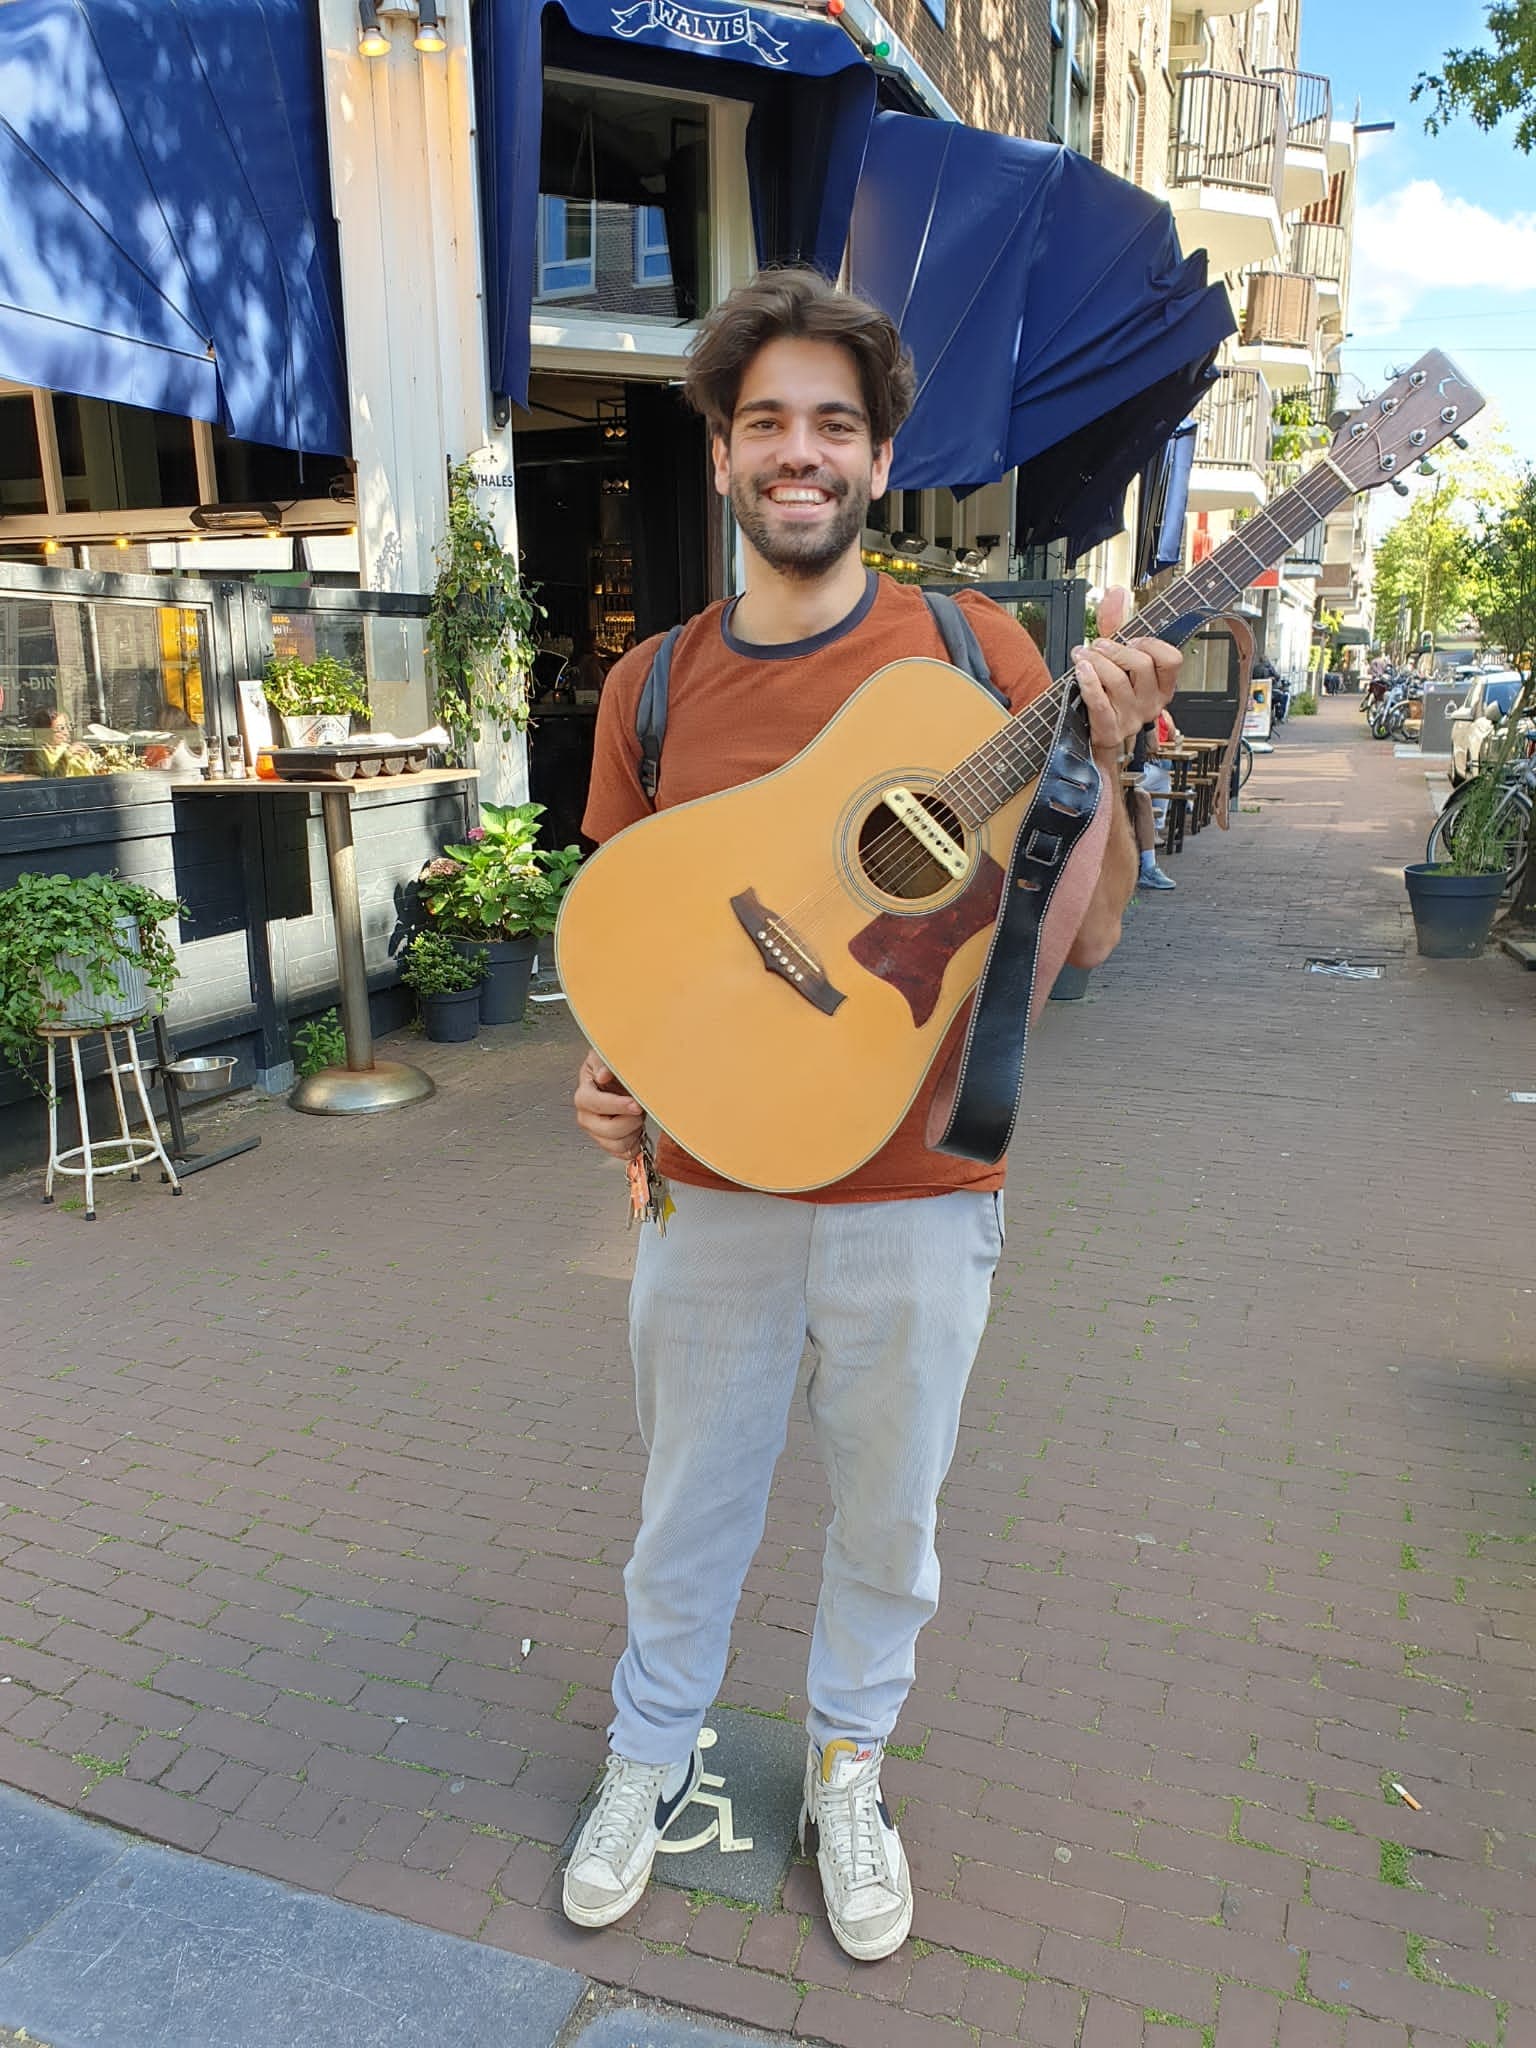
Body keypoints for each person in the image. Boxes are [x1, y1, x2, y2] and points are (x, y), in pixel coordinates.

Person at [565, 268, 1181, 1962]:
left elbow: (1094, 931)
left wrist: (1103, 764)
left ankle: (847, 1764)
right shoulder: (656, 689)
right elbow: (632, 925)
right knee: (689, 1499)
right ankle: (648, 1747)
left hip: (921, 1180)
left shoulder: (978, 660)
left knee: (889, 1512)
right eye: (765, 420)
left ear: (880, 453)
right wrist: (615, 1069)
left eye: (833, 422)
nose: (800, 451)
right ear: (719, 455)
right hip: (712, 1184)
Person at [1128, 706, 1180, 890]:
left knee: (1142, 799)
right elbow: (1153, 745)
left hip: (1127, 778)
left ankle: (1148, 866)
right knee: (1146, 795)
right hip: (1128, 777)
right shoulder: (1145, 709)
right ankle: (1149, 863)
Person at [26, 705, 96, 778]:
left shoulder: (64, 747)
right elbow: (50, 780)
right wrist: (67, 755)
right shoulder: (37, 752)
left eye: (67, 726)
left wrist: (89, 756)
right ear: (45, 732)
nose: (66, 732)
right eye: (61, 728)